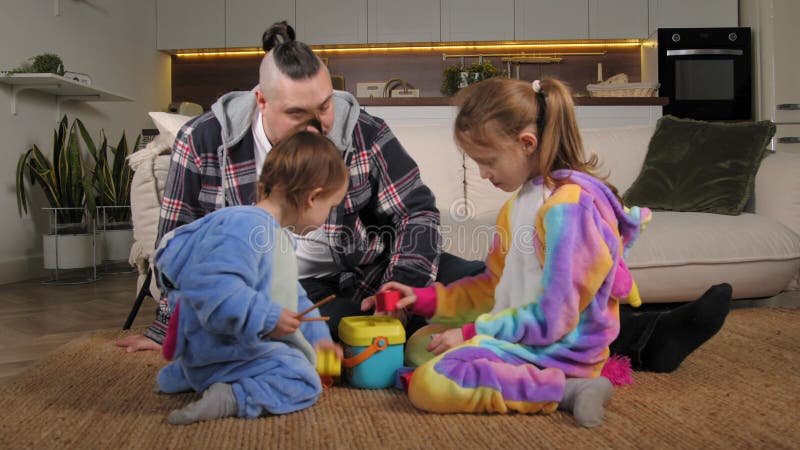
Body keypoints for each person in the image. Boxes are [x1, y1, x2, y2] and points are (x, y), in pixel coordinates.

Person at [116, 21, 730, 379]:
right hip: (277, 298)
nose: (320, 122)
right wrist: (169, 324)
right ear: (262, 103)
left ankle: (646, 337)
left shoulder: (362, 130)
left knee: (480, 277)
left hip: (366, 275)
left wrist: (407, 290)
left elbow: (418, 213)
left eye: (325, 105)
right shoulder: (207, 142)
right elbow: (177, 247)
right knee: (300, 342)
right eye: (300, 114)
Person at [360, 77, 665, 427]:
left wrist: (472, 334)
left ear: (526, 143)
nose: (483, 173)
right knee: (419, 346)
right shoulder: (517, 207)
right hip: (520, 338)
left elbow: (555, 319)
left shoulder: (569, 209)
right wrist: (422, 299)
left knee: (430, 385)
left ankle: (566, 389)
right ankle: (502, 373)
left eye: (488, 161)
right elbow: (492, 288)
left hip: (558, 352)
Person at [154, 130, 347, 425]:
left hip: (225, 349)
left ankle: (194, 375)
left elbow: (291, 296)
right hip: (230, 351)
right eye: (331, 207)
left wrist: (319, 341)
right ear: (312, 198)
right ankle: (231, 395)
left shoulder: (274, 236)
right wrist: (269, 317)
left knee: (301, 358)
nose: (328, 217)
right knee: (303, 380)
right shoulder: (245, 227)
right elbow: (213, 287)